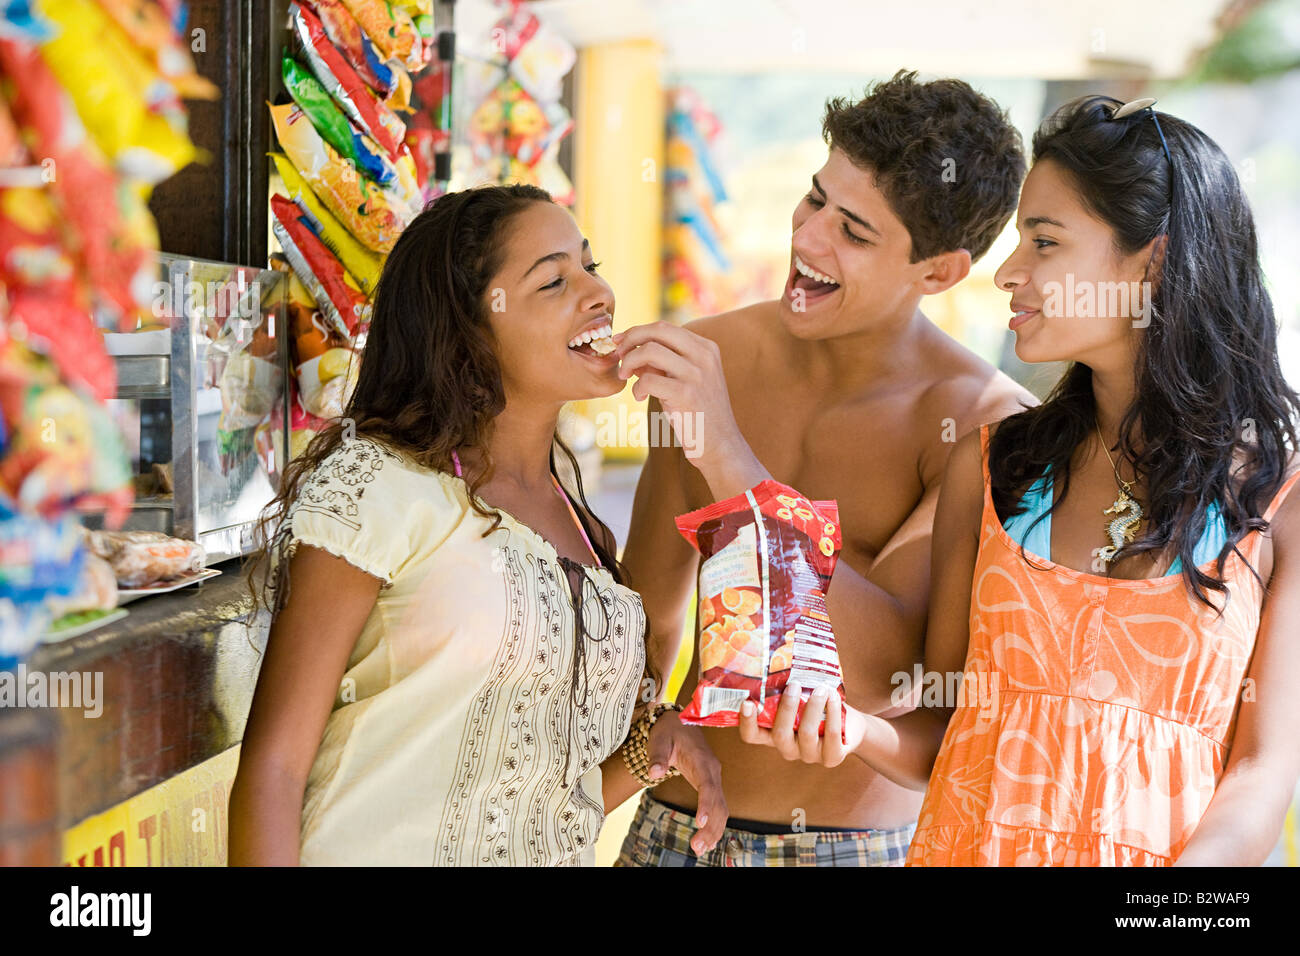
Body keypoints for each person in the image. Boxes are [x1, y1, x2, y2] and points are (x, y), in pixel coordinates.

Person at [741, 95, 1300, 866]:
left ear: (1155, 262)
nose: (1009, 272)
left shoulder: (1279, 495)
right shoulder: (993, 469)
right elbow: (944, 726)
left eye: (1044, 241)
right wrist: (848, 726)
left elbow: (1263, 772)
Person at [227, 184, 726, 866]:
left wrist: (649, 756)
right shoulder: (380, 490)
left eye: (590, 265)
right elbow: (274, 772)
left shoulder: (585, 536)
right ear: (470, 329)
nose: (598, 293)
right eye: (553, 280)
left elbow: (540, 801)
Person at [611, 70, 1035, 867]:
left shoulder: (976, 420)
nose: (807, 240)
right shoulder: (714, 357)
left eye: (854, 231)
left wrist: (730, 458)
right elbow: (646, 618)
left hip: (854, 848)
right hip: (674, 830)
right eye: (815, 201)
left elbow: (886, 672)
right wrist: (646, 726)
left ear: (939, 272)